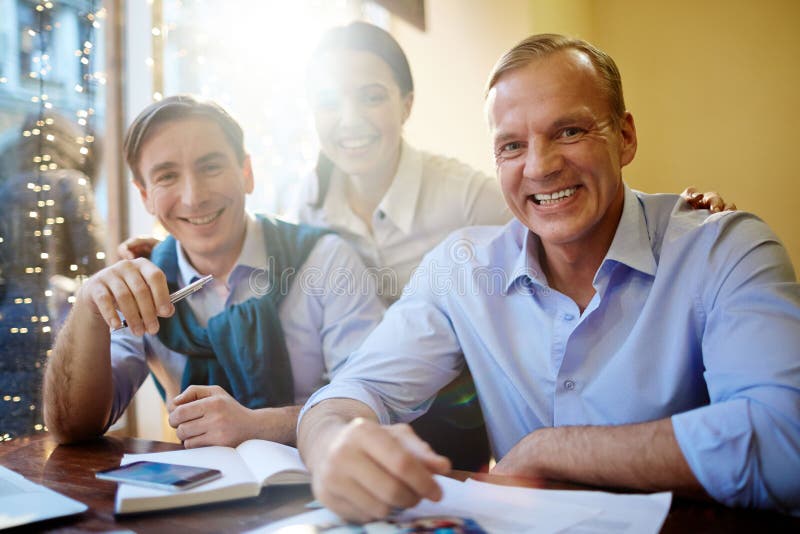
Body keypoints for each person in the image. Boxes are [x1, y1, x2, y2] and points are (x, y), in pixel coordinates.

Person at [296, 34, 800, 521]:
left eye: (570, 131)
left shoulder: (725, 248)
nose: (540, 166)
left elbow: (787, 438)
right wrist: (331, 443)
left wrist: (548, 450)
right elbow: (357, 388)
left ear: (625, 137)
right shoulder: (461, 270)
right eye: (512, 146)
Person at [43, 95, 385, 447]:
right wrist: (88, 307)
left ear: (246, 174)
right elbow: (72, 428)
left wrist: (257, 425)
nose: (194, 197)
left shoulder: (328, 259)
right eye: (167, 176)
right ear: (145, 195)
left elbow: (374, 399)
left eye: (211, 167)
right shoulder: (142, 283)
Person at [0, 112, 106, 439]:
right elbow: (97, 263)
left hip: (9, 323)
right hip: (57, 317)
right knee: (56, 430)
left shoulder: (6, 192)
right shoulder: (70, 183)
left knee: (13, 436)